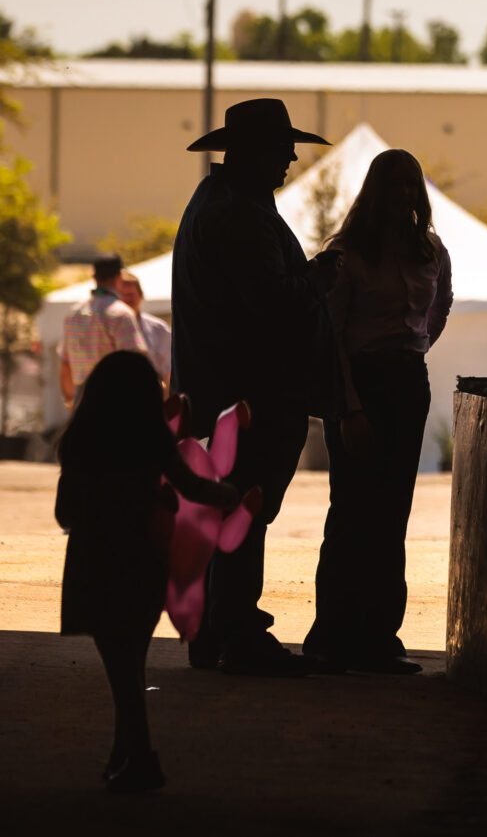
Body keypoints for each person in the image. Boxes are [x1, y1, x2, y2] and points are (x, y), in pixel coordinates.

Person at [172, 98, 331, 676]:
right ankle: (238, 631)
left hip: (219, 392)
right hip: (249, 395)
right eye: (282, 148)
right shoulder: (240, 215)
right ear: (254, 153)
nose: (291, 157)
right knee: (245, 507)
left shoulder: (214, 204)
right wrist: (322, 273)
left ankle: (218, 629)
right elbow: (274, 304)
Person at [56, 350, 239, 792]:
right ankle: (127, 754)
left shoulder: (80, 443)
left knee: (121, 673)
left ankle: (138, 758)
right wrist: (231, 495)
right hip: (142, 564)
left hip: (96, 565)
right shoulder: (151, 439)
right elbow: (194, 487)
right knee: (131, 667)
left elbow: (65, 513)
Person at [304, 150, 452, 675]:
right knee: (350, 511)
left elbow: (440, 308)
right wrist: (349, 406)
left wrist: (412, 348)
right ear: (375, 192)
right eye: (394, 186)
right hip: (362, 382)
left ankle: (379, 635)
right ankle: (331, 635)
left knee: (392, 513)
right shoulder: (346, 254)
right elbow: (334, 336)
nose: (404, 196)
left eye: (411, 185)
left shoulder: (430, 250)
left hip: (408, 381)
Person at [59, 255, 146, 408]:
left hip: (82, 402)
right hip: (115, 401)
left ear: (94, 277)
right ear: (120, 276)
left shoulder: (73, 314)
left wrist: (71, 403)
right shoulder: (121, 314)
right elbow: (135, 364)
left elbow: (65, 365)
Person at [118, 271, 172, 387]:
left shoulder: (158, 328)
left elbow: (169, 370)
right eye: (123, 295)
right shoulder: (106, 329)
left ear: (141, 295)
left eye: (131, 295)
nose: (128, 299)